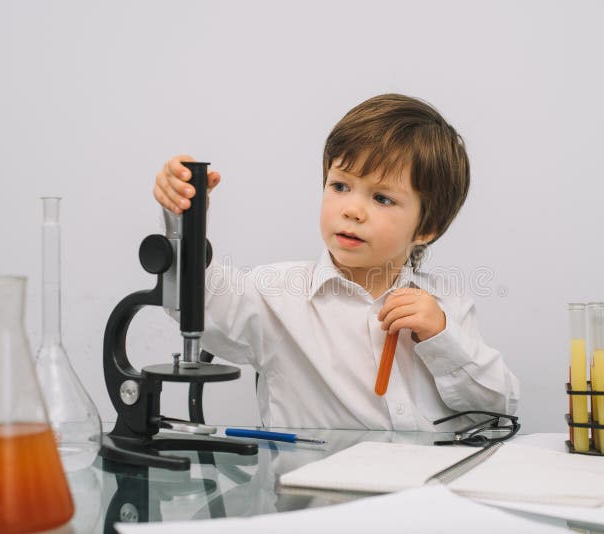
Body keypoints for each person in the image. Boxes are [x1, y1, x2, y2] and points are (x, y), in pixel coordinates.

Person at [153, 94, 520, 430]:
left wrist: (442, 337)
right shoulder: (277, 296)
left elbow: (499, 408)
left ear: (428, 227)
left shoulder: (448, 306)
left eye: (382, 198)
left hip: (426, 498)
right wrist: (183, 215)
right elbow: (195, 301)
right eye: (340, 186)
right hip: (319, 501)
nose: (352, 210)